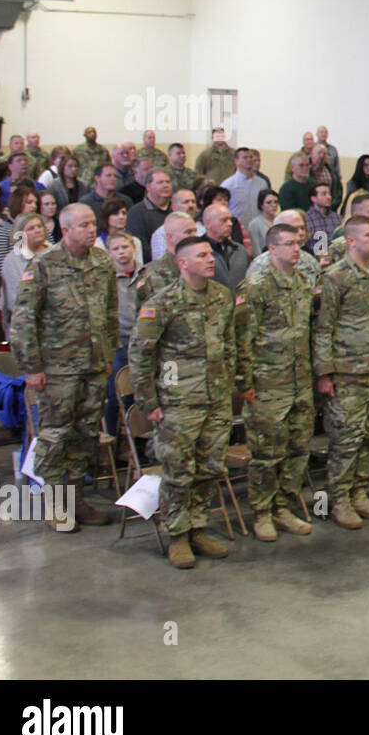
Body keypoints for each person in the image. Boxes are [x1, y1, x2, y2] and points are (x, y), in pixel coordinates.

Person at [130, 235, 244, 568]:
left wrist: (231, 383)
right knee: (179, 471)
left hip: (216, 399)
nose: (211, 260)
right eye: (202, 255)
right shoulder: (162, 303)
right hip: (179, 402)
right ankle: (177, 535)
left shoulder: (222, 297)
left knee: (209, 468)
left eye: (211, 254)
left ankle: (198, 527)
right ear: (183, 263)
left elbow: (229, 342)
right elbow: (140, 355)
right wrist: (148, 401)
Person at [10, 203, 118, 531]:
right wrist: (32, 367)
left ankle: (76, 499)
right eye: (83, 225)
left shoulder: (102, 261)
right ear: (65, 228)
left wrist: (109, 354)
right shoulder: (44, 264)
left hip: (93, 364)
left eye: (92, 224)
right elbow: (23, 319)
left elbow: (111, 311)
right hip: (57, 368)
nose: (90, 230)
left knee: (86, 433)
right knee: (56, 435)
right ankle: (55, 503)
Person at [235, 222, 315, 541]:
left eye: (298, 243)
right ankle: (262, 512)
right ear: (272, 249)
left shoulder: (304, 282)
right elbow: (242, 338)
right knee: (267, 453)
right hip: (268, 383)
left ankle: (284, 506)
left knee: (298, 448)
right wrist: (245, 382)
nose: (296, 249)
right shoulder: (255, 285)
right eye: (288, 244)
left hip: (300, 380)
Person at [314, 215, 369, 528]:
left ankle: (361, 493)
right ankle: (339, 500)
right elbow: (324, 327)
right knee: (346, 440)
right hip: (348, 372)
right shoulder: (335, 277)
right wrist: (324, 372)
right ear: (351, 241)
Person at [103, 230, 141, 441]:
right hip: (119, 343)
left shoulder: (145, 275)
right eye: (115, 249)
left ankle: (140, 438)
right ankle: (112, 439)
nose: (121, 253)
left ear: (133, 247)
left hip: (143, 342)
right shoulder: (106, 279)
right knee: (116, 394)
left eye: (124, 247)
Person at [246, 209, 323, 289]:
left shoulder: (309, 261)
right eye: (294, 229)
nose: (301, 233)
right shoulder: (260, 266)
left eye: (302, 228)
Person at [0, 212, 50, 333]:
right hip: (27, 325)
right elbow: (14, 299)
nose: (37, 230)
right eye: (31, 228)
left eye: (39, 226)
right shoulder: (12, 260)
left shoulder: (56, 253)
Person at [137, 213, 201, 305]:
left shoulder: (200, 264)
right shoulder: (153, 271)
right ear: (170, 237)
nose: (195, 236)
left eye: (195, 231)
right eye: (188, 232)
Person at [125, 168, 173, 263]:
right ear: (148, 186)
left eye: (167, 182)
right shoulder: (136, 213)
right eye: (160, 182)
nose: (165, 185)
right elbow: (140, 247)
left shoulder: (176, 210)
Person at [0, 185, 39, 272]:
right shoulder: (3, 229)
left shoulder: (41, 228)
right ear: (17, 203)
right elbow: (1, 265)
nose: (34, 206)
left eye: (36, 203)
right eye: (29, 202)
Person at [203, 203, 249, 292]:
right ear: (208, 223)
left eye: (230, 220)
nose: (230, 224)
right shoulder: (198, 252)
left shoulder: (240, 250)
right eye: (224, 220)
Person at [150, 190, 204, 261]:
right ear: (173, 206)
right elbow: (160, 262)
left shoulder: (202, 229)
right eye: (186, 202)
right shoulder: (161, 233)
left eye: (193, 202)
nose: (191, 205)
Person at [221, 147, 265, 227]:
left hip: (257, 227)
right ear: (236, 161)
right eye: (245, 157)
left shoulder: (262, 183)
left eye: (251, 157)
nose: (249, 160)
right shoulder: (228, 185)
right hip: (236, 228)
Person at [305, 183, 342, 253]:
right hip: (315, 258)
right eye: (324, 194)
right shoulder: (306, 219)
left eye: (329, 194)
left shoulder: (337, 218)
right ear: (313, 199)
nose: (329, 197)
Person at [309, 144, 342, 212]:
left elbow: (338, 192)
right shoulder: (306, 172)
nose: (322, 156)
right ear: (312, 154)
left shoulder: (332, 173)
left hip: (330, 211)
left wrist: (331, 206)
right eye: (319, 153)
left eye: (324, 154)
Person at [249, 190, 281, 254]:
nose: (274, 205)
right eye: (269, 202)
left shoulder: (281, 220)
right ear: (261, 205)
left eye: (276, 202)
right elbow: (256, 250)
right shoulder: (255, 224)